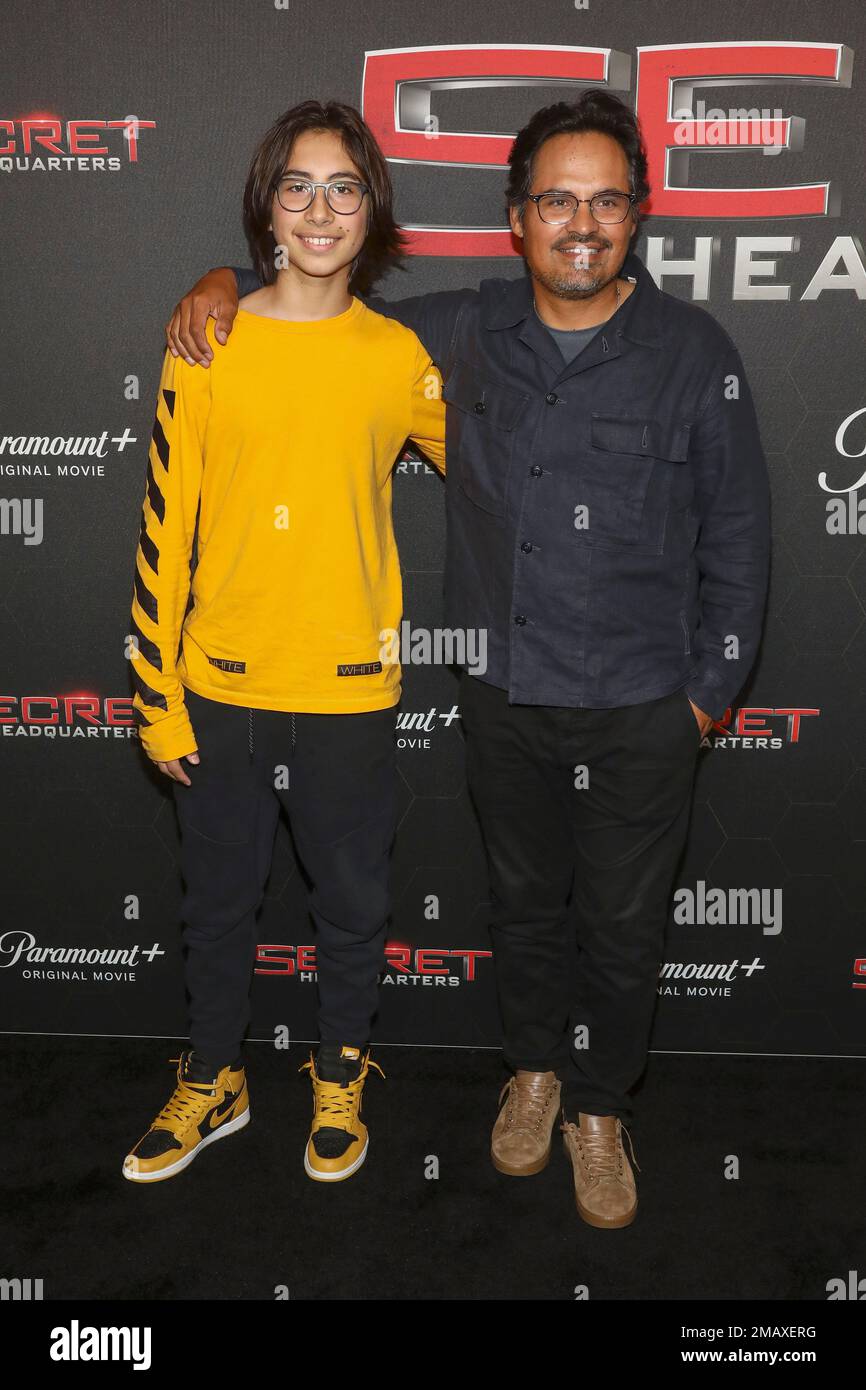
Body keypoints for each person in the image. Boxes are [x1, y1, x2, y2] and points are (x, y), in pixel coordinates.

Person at [166, 91, 771, 1226]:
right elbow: (318, 299)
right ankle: (533, 1072)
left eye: (603, 202)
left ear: (636, 216)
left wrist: (701, 701)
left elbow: (739, 543)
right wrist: (217, 285)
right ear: (515, 216)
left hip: (645, 705)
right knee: (525, 913)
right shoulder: (455, 332)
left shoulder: (696, 353)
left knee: (627, 931)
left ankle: (597, 1107)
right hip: (504, 696)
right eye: (555, 200)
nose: (578, 224)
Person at [123, 99, 446, 1185]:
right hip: (217, 688)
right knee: (215, 906)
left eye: (344, 187)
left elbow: (504, 468)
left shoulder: (399, 357)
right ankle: (211, 1076)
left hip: (349, 692)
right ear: (267, 204)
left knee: (351, 908)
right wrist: (156, 696)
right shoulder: (205, 338)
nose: (320, 208)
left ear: (372, 210)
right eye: (298, 185)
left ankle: (340, 1073)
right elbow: (165, 526)